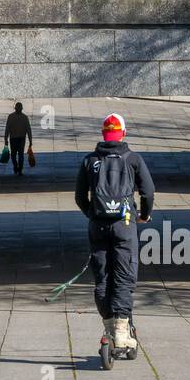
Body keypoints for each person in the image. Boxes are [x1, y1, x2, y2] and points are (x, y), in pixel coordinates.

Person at [73, 112, 155, 352]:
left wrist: (93, 215)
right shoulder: (133, 159)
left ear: (103, 134)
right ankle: (121, 331)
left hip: (97, 226)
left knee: (102, 277)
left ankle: (109, 326)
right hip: (124, 225)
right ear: (124, 134)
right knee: (123, 276)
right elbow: (148, 192)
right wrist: (144, 214)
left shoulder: (89, 161)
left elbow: (79, 197)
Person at [3, 102, 33, 175]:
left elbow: (7, 129)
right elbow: (28, 130)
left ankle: (16, 166)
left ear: (15, 108)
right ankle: (19, 169)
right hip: (21, 139)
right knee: (20, 155)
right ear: (22, 108)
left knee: (13, 155)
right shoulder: (24, 117)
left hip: (13, 139)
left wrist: (6, 139)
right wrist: (30, 140)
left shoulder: (11, 117)